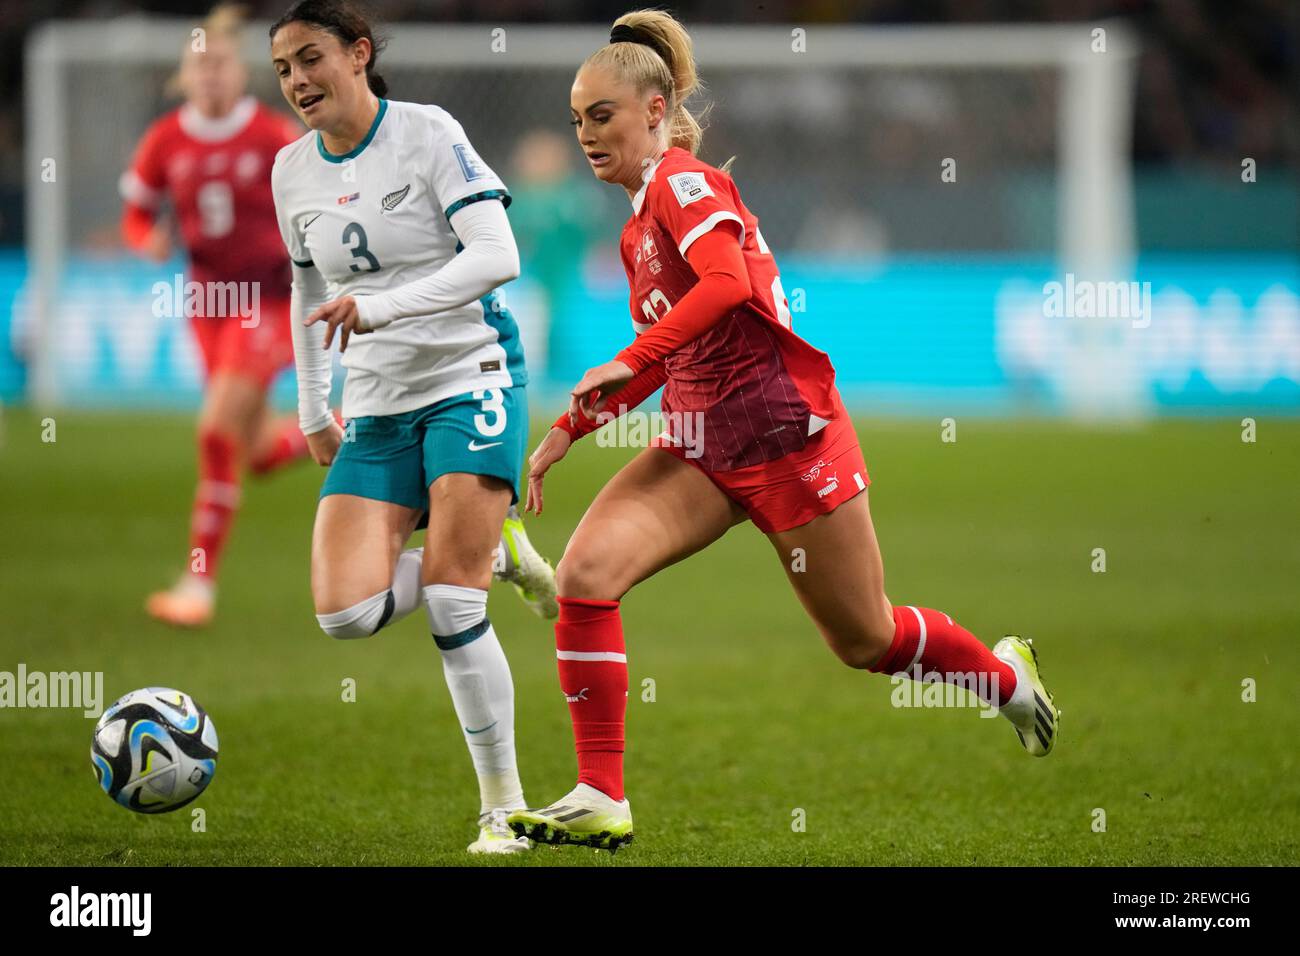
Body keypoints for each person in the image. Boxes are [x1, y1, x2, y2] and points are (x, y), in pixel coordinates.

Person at [509, 9, 1060, 852]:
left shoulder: (684, 184)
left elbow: (726, 284)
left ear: (655, 110)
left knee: (864, 638)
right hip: (701, 448)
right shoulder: (633, 230)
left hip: (788, 440)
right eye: (577, 118)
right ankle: (600, 793)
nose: (586, 133)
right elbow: (663, 355)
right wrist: (574, 426)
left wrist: (633, 357)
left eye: (603, 114)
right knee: (585, 574)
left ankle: (1004, 680)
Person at [269, 0, 550, 853]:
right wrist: (316, 406)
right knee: (344, 615)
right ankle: (494, 548)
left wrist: (385, 309)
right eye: (282, 69)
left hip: (471, 378)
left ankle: (502, 809)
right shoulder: (290, 171)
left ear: (358, 55)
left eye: (310, 59)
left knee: (453, 603)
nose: (297, 81)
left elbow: (498, 254)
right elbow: (308, 290)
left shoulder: (427, 133)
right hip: (380, 404)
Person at [122, 4, 308, 628]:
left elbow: (319, 198)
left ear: (240, 71)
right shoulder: (164, 140)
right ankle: (343, 427)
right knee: (252, 450)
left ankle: (198, 584)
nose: (210, 75)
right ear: (184, 74)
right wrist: (144, 236)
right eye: (199, 65)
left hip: (270, 302)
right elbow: (138, 211)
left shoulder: (274, 136)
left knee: (213, 431)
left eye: (221, 63)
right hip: (206, 303)